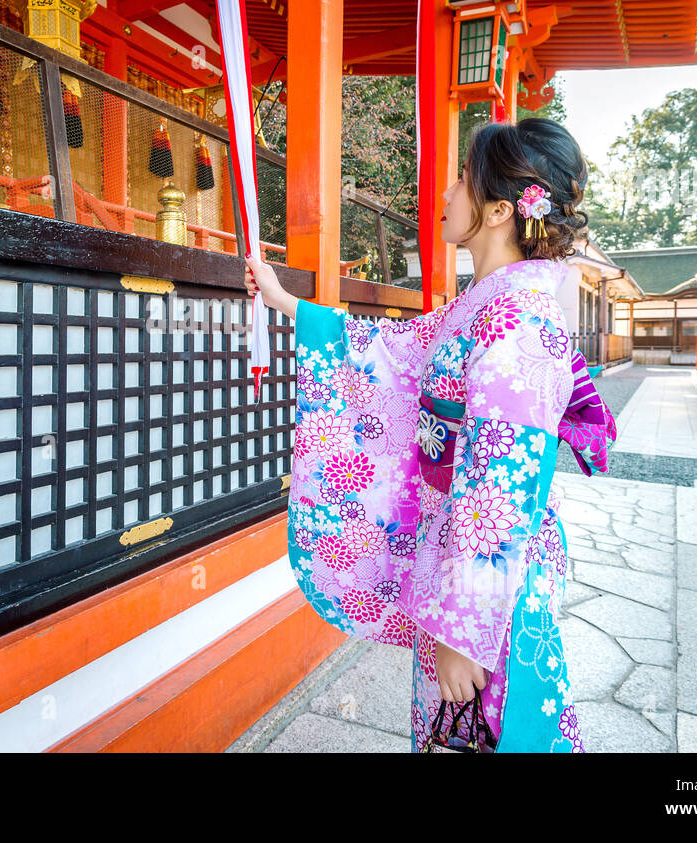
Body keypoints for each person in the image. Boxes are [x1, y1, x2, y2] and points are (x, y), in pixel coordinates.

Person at [244, 117, 617, 753]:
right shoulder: (485, 305)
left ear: (501, 209)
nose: (445, 195)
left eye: (462, 182)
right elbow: (393, 351)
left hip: (491, 591)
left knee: (498, 731)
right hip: (460, 568)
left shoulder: (516, 323)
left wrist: (463, 631)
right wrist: (287, 304)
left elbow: (501, 483)